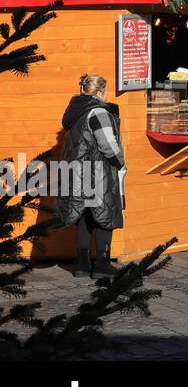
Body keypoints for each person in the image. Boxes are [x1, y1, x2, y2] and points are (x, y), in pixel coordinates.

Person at [56, 74, 125, 279]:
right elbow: (108, 145)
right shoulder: (98, 112)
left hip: (78, 171)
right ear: (101, 91)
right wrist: (120, 162)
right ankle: (103, 264)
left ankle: (82, 265)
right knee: (105, 213)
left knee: (84, 215)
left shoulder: (75, 112)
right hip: (98, 171)